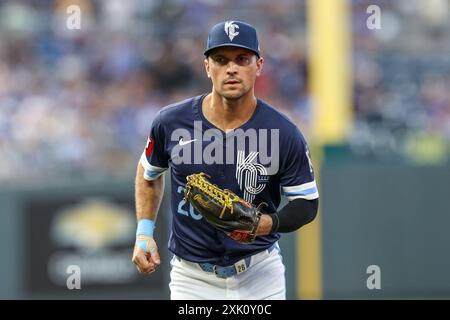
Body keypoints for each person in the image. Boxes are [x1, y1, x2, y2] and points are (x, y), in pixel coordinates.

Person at [132, 20, 319, 300]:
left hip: (259, 274)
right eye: (221, 60)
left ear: (259, 66)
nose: (231, 68)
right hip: (192, 277)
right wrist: (144, 233)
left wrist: (267, 224)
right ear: (207, 67)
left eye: (242, 59)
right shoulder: (171, 122)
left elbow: (306, 204)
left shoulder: (283, 132)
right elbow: (148, 173)